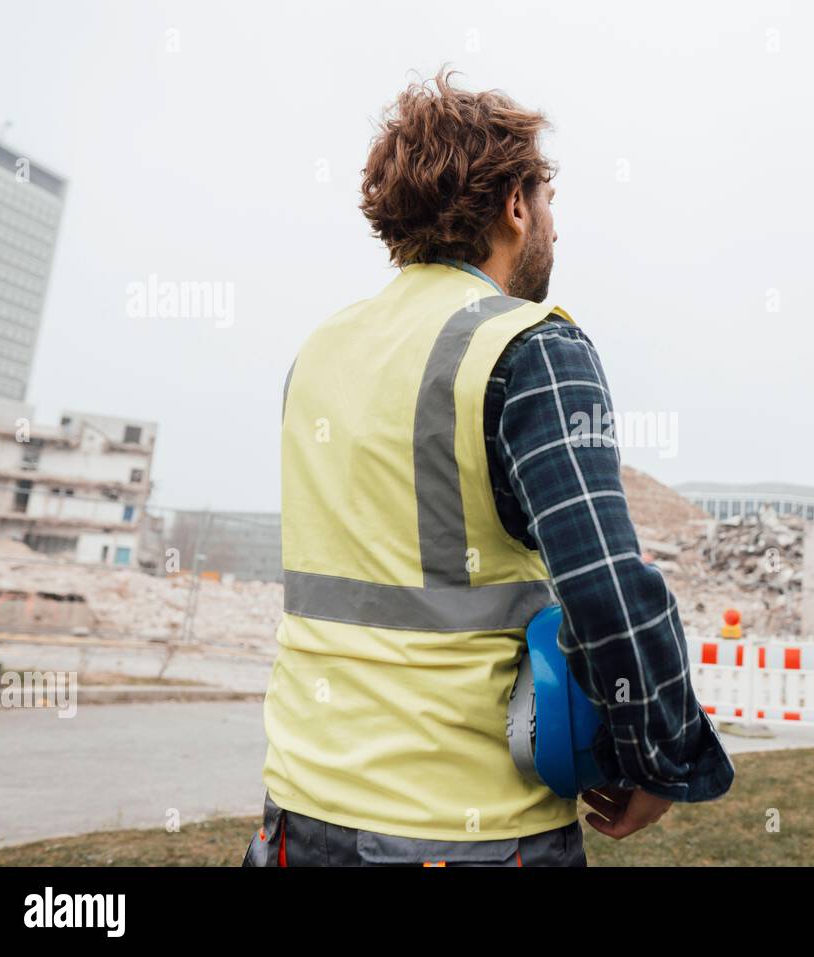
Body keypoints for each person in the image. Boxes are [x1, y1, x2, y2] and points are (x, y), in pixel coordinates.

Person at [242, 69, 733, 868]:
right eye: (547, 204)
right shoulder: (531, 345)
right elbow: (606, 586)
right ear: (514, 205)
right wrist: (664, 756)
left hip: (296, 816)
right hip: (464, 829)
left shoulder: (320, 352)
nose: (554, 231)